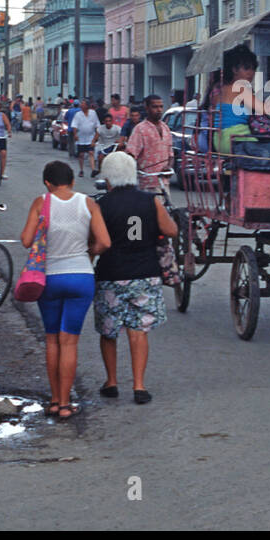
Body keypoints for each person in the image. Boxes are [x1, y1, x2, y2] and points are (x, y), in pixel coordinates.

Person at [19, 160, 109, 420]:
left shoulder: (41, 202)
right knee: (70, 341)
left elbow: (26, 240)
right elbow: (104, 241)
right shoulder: (88, 203)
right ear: (71, 181)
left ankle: (55, 400)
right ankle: (67, 404)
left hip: (49, 278)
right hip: (81, 277)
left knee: (52, 340)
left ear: (47, 182)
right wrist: (86, 253)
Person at [93, 151, 177, 405]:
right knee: (138, 331)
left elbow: (94, 242)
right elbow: (171, 230)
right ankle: (139, 386)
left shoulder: (101, 205)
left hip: (111, 274)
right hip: (145, 274)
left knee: (109, 331)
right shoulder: (151, 202)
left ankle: (111, 382)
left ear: (107, 178)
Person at [215, 44, 270, 154]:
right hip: (236, 138)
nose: (251, 73)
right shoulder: (240, 88)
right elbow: (264, 110)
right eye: (246, 68)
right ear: (234, 69)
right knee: (268, 154)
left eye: (253, 69)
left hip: (219, 139)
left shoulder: (221, 88)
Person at [125, 94, 174, 192]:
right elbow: (130, 155)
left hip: (164, 182)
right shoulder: (140, 129)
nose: (159, 110)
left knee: (166, 207)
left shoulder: (165, 128)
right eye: (155, 107)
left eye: (161, 107)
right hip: (147, 184)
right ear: (147, 108)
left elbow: (171, 155)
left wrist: (169, 167)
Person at [70, 100, 100, 178]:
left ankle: (93, 170)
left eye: (83, 104)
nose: (81, 105)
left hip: (90, 137)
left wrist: (96, 135)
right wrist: (75, 134)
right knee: (81, 154)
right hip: (81, 138)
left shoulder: (93, 113)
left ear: (87, 106)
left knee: (91, 153)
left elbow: (97, 124)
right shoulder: (78, 115)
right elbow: (74, 125)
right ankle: (81, 170)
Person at [92, 109, 123, 174]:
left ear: (112, 121)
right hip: (103, 146)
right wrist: (93, 143)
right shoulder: (100, 128)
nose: (108, 123)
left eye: (109, 121)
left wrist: (120, 142)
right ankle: (100, 171)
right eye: (106, 121)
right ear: (104, 122)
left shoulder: (117, 128)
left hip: (114, 147)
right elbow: (95, 138)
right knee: (100, 158)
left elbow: (122, 137)